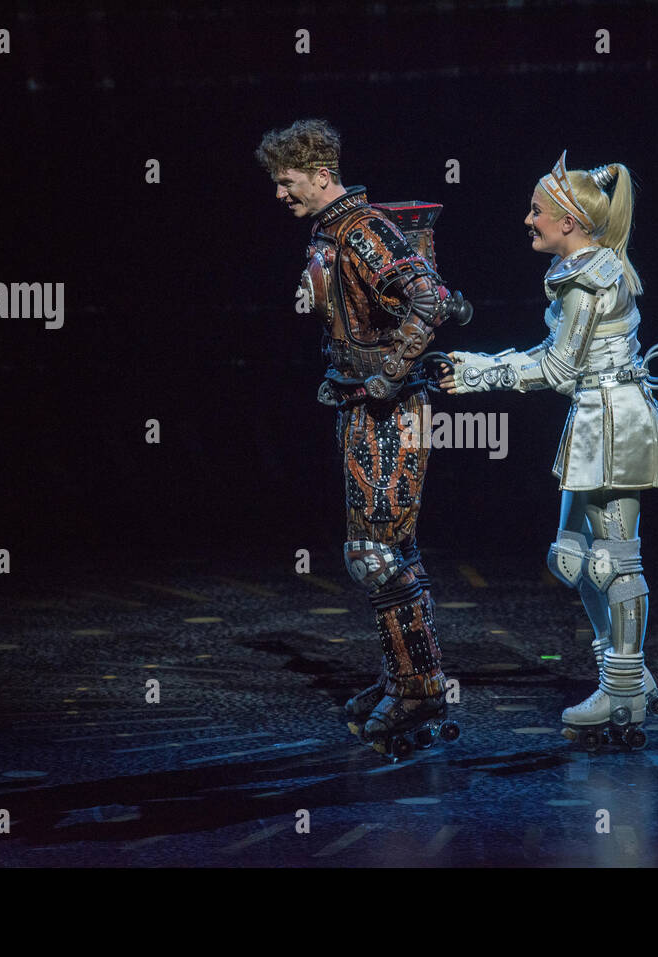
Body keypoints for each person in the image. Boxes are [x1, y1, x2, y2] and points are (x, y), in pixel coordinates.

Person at [439, 151, 658, 751]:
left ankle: (623, 685)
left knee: (613, 561)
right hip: (595, 418)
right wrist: (480, 367)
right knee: (570, 558)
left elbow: (557, 365)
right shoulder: (588, 269)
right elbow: (568, 370)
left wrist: (476, 375)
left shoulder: (587, 277)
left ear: (569, 222)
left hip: (615, 423)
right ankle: (626, 668)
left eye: (538, 211)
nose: (529, 220)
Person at [255, 119, 471, 756]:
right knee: (384, 550)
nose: (280, 195)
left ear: (322, 176)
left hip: (389, 409)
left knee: (375, 552)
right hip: (363, 405)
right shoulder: (337, 231)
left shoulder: (363, 230)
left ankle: (420, 687)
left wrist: (390, 374)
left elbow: (430, 300)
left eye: (288, 182)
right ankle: (408, 677)